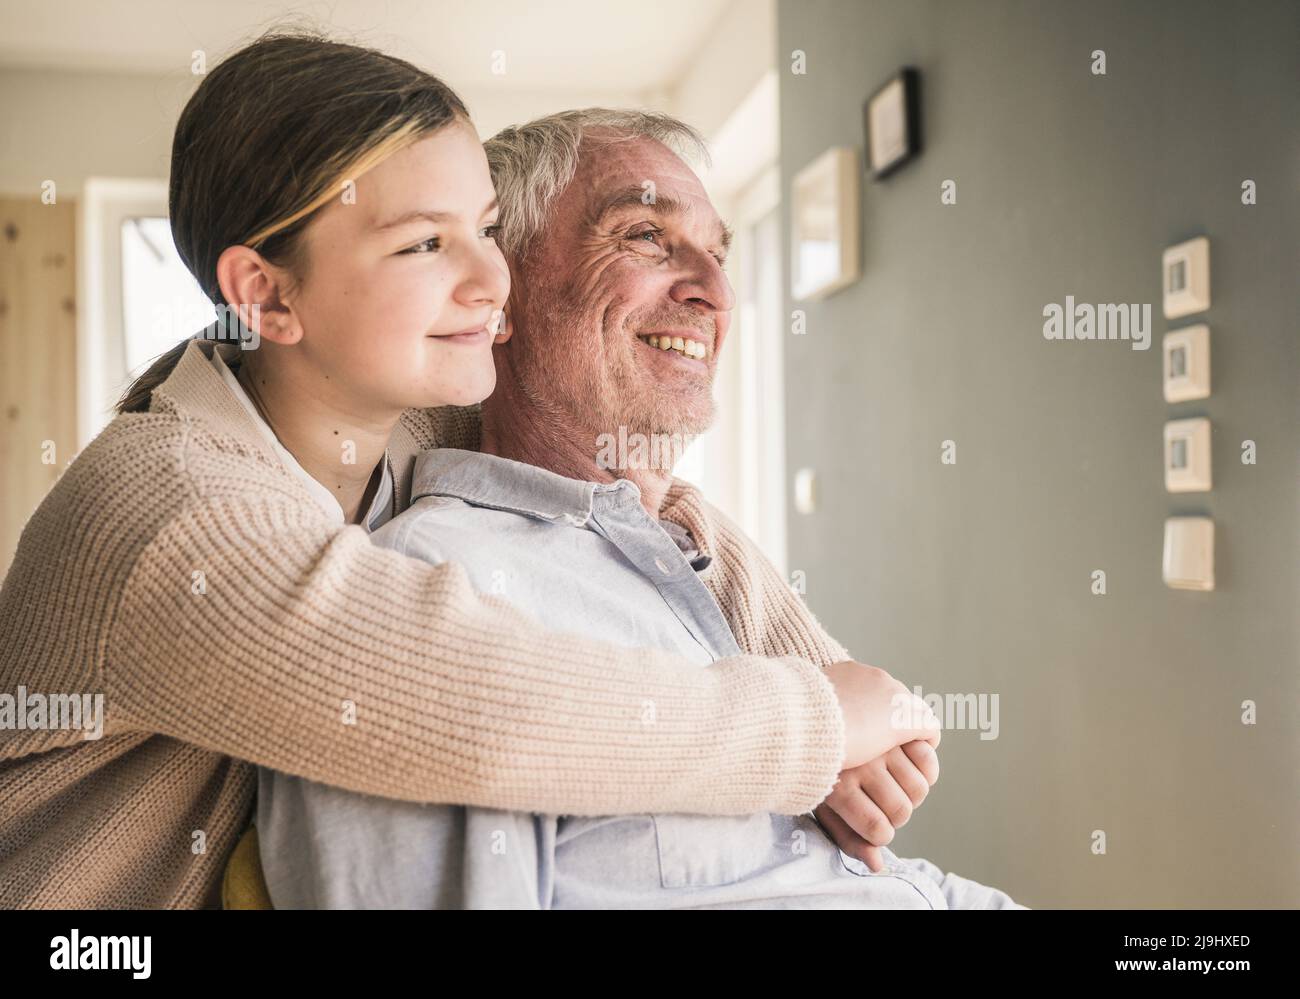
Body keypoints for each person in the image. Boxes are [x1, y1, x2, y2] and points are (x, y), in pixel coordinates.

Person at [0, 34, 911, 909]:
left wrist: (833, 679)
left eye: (485, 228)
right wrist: (815, 724)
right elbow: (488, 707)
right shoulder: (175, 511)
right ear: (267, 294)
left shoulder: (387, 412)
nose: (493, 279)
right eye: (424, 244)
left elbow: (619, 495)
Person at [253, 109, 1025, 909]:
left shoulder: (688, 565)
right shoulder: (434, 591)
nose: (715, 292)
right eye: (645, 236)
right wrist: (826, 718)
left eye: (719, 254)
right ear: (497, 295)